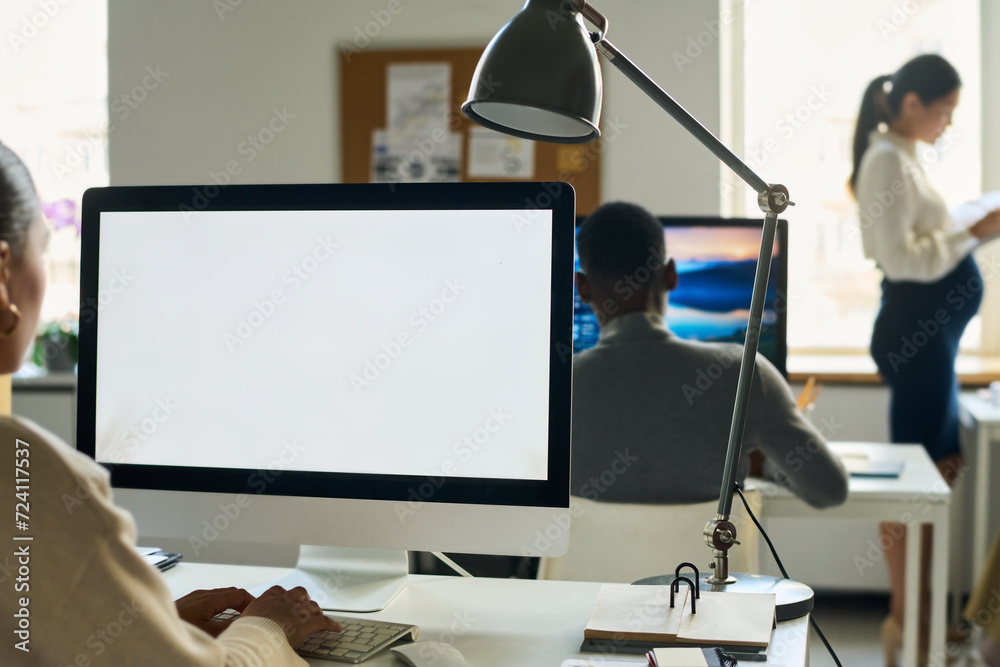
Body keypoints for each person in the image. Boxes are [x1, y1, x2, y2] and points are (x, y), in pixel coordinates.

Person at [0, 142, 340, 666]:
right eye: (42, 250)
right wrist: (270, 627)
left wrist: (147, 627)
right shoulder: (24, 474)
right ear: (4, 273)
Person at [849, 54, 1000, 664]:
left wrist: (968, 228)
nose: (948, 123)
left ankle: (923, 614)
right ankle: (904, 621)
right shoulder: (885, 160)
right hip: (916, 339)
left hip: (935, 342)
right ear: (913, 103)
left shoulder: (905, 156)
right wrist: (975, 231)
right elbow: (904, 259)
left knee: (941, 469)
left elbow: (924, 242)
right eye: (945, 111)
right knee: (913, 479)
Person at [571, 201, 848, 509]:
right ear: (671, 275)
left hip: (588, 544)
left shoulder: (550, 389)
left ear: (582, 287)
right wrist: (769, 465)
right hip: (702, 545)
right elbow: (829, 490)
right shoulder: (743, 373)